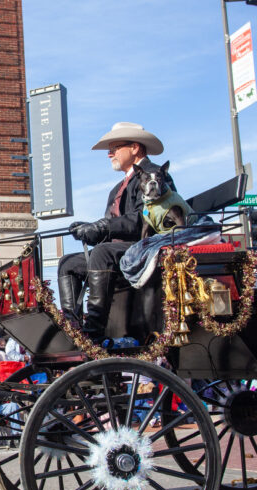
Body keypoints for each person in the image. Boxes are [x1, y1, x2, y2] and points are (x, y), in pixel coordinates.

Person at [59, 122, 176, 340]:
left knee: (102, 254)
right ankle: (71, 328)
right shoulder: (117, 188)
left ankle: (94, 332)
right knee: (68, 264)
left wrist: (102, 227)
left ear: (135, 148)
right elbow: (111, 225)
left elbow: (146, 219)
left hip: (146, 246)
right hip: (122, 251)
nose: (110, 154)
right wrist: (89, 228)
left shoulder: (154, 175)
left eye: (115, 148)